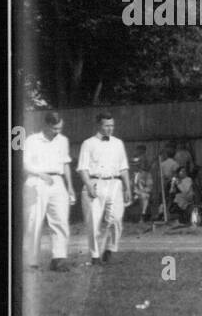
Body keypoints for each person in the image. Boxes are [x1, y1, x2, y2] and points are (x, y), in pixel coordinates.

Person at [21, 112, 75, 272]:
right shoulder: (31, 140)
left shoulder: (63, 140)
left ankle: (58, 259)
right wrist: (40, 174)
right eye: (54, 128)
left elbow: (66, 164)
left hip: (57, 181)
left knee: (60, 220)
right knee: (34, 222)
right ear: (46, 125)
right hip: (36, 181)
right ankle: (32, 261)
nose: (57, 131)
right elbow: (24, 163)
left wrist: (70, 185)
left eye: (60, 128)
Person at [75, 113, 131, 266]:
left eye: (112, 125)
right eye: (106, 125)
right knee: (93, 221)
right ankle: (95, 256)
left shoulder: (118, 143)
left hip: (115, 183)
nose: (110, 129)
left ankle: (110, 249)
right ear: (98, 125)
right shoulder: (88, 143)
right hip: (95, 182)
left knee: (116, 219)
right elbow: (82, 169)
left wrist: (128, 188)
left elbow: (124, 167)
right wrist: (88, 185)